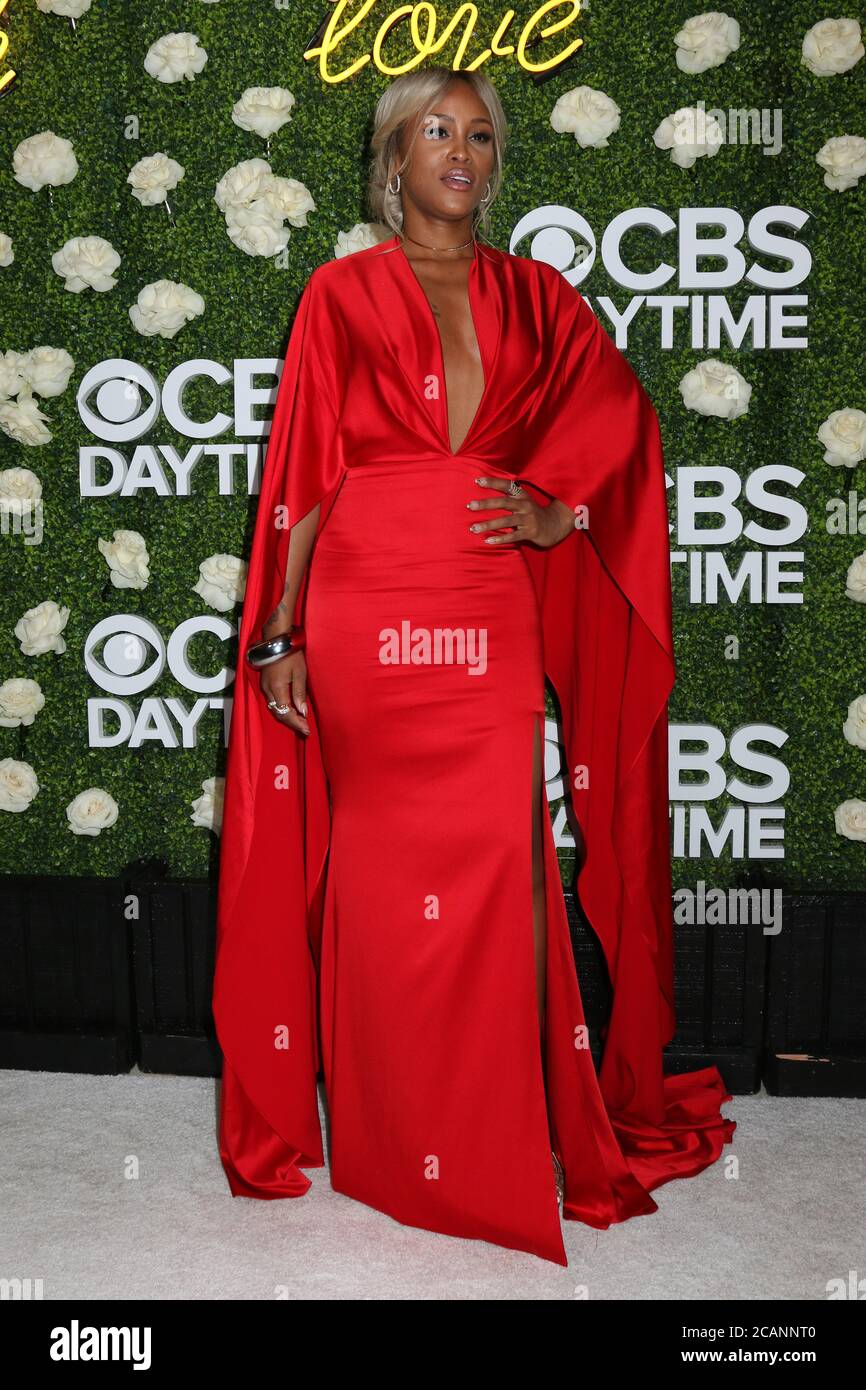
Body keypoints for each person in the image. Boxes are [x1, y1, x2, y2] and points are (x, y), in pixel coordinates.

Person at [212, 66, 736, 1267]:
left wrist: (562, 513)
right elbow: (303, 479)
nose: (460, 149)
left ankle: (487, 1134)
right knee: (386, 879)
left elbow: (620, 428)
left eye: (480, 134)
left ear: (496, 165)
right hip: (365, 603)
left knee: (500, 864)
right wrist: (282, 634)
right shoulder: (338, 295)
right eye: (434, 130)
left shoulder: (537, 296)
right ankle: (398, 1145)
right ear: (392, 159)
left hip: (483, 604)